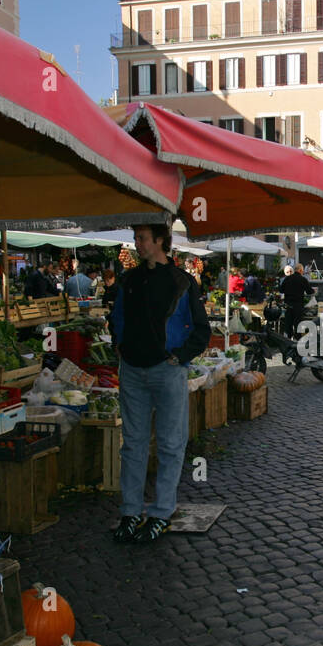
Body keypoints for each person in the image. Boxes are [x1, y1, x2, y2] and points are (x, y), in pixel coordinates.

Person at [111, 224, 211, 545]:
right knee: (133, 444)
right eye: (136, 237)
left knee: (170, 444)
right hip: (132, 370)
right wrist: (119, 344)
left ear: (159, 241)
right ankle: (130, 512)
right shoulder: (130, 280)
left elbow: (201, 329)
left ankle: (160, 514)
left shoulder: (182, 281)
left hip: (166, 371)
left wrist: (179, 356)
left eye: (142, 238)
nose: (136, 243)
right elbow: (118, 317)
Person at [278, 264, 313, 340]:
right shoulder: (303, 279)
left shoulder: (287, 279)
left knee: (288, 325)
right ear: (300, 270)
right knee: (298, 325)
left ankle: (288, 340)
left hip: (288, 305)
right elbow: (309, 291)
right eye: (302, 271)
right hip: (298, 305)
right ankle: (297, 342)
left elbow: (281, 290)